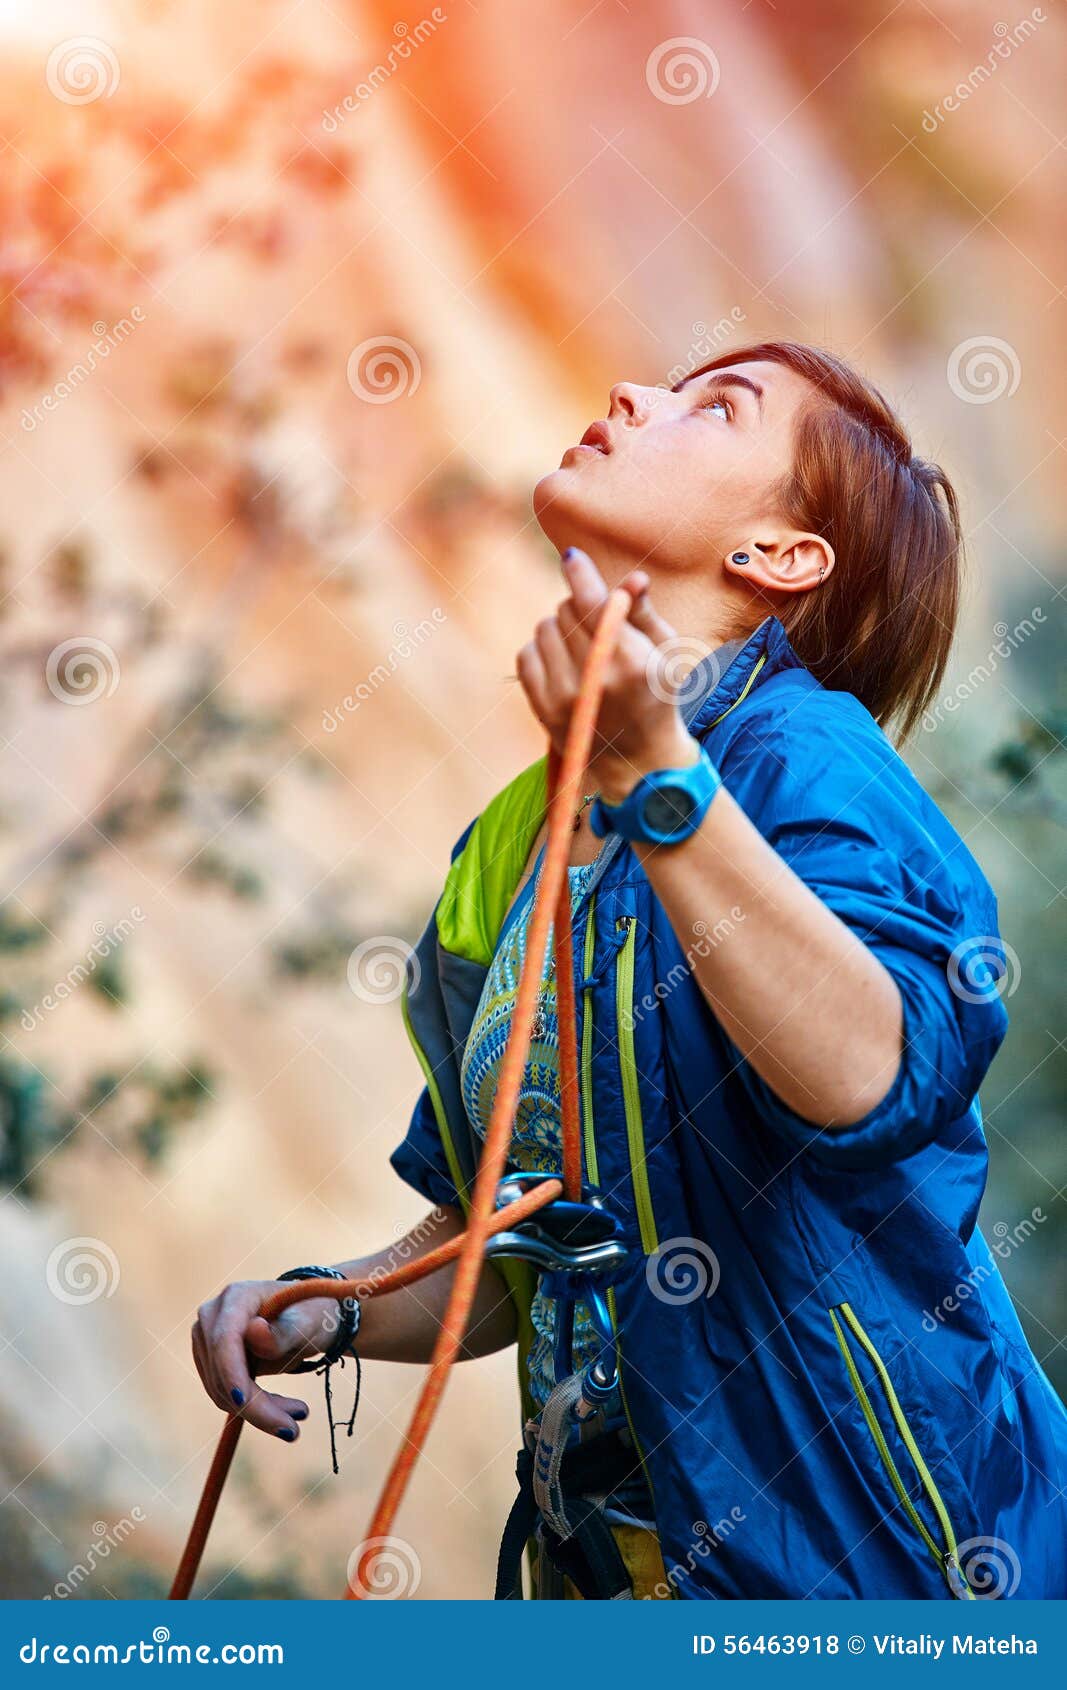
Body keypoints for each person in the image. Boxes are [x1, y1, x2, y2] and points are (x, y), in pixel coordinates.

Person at [192, 341, 1067, 1599]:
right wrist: (330, 1304)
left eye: (715, 408)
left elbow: (871, 1071)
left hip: (872, 1578)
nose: (628, 399)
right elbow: (500, 1236)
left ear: (778, 553)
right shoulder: (514, 841)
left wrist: (659, 781)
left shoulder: (801, 763)